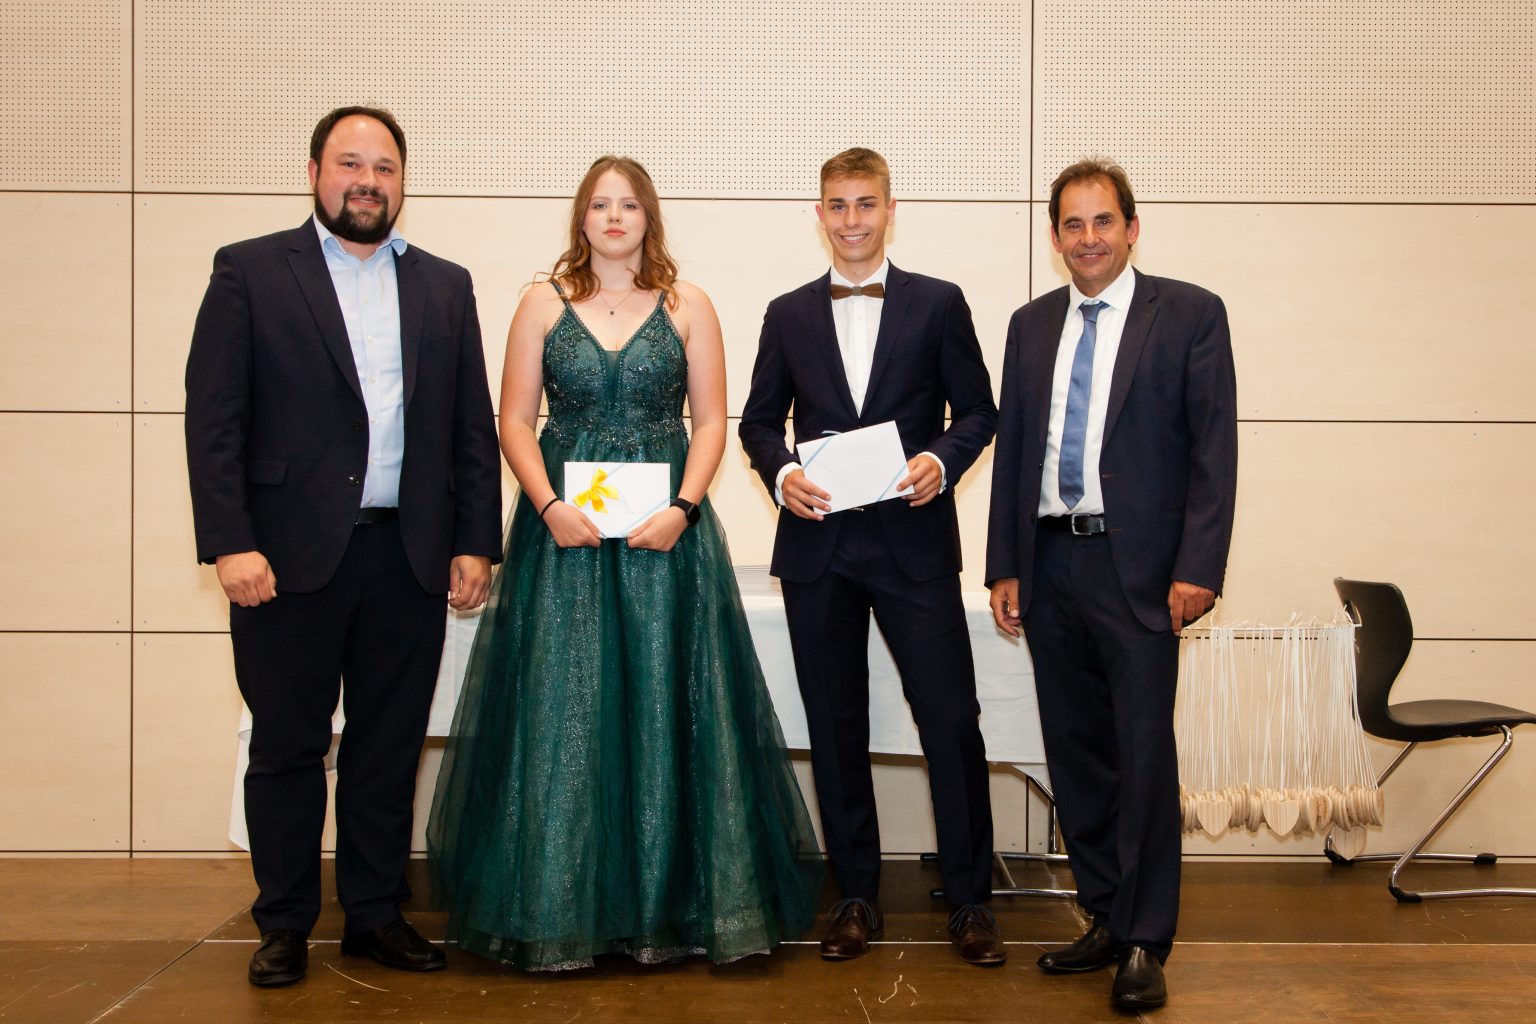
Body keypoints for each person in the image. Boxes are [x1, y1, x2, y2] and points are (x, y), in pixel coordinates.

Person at [427, 156, 822, 971]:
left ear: (649, 218)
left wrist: (683, 507)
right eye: (601, 204)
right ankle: (556, 905)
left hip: (663, 542)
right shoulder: (541, 303)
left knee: (662, 700)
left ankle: (664, 908)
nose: (614, 217)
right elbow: (512, 419)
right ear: (582, 217)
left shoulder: (689, 306)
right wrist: (546, 505)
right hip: (562, 538)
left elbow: (712, 422)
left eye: (629, 204)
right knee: (564, 712)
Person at [184, 106, 503, 987]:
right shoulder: (250, 272)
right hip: (283, 562)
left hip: (407, 554)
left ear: (404, 180)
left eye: (386, 167)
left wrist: (478, 540)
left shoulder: (445, 284)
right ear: (315, 172)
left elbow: (470, 426)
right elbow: (215, 422)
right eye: (349, 163)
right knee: (286, 744)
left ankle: (372, 914)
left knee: (388, 745)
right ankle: (284, 922)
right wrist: (229, 543)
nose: (368, 181)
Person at [738, 148, 1003, 966]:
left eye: (865, 204)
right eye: (837, 205)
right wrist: (781, 473)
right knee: (835, 724)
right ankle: (854, 895)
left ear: (891, 211)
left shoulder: (939, 303)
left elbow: (980, 412)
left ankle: (970, 901)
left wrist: (942, 461)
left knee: (952, 722)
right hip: (819, 547)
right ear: (818, 215)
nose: (852, 220)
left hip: (914, 545)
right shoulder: (786, 313)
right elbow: (756, 423)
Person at [985, 158, 1238, 1012]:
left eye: (1103, 222)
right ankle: (1101, 913)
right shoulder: (1029, 326)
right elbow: (1016, 450)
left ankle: (1144, 940)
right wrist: (1004, 565)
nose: (1087, 238)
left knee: (1142, 757)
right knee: (1078, 756)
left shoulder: (1191, 316)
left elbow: (1214, 451)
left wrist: (1199, 565)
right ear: (1055, 238)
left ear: (1132, 229)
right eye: (1071, 224)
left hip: (1141, 573)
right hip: (1052, 564)